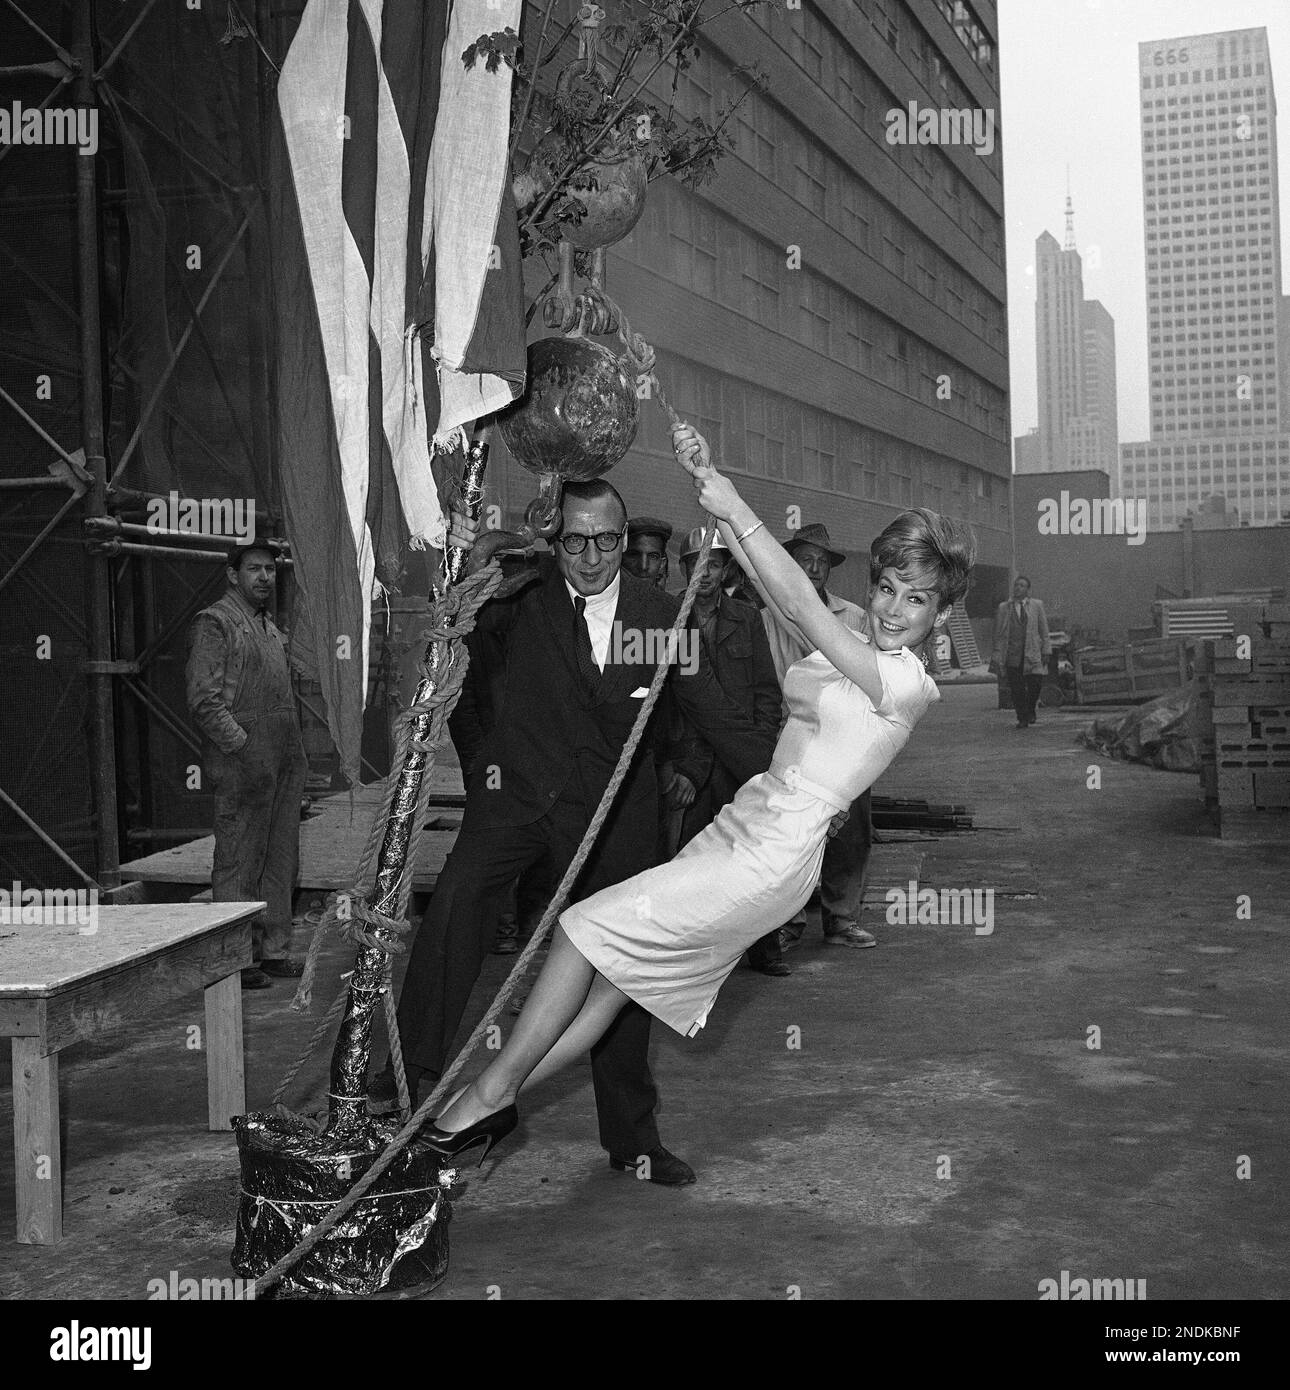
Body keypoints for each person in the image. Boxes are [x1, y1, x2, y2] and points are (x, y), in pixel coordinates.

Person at [421, 423, 974, 1162]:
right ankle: (484, 1106)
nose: (893, 608)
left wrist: (736, 503)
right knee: (617, 981)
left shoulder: (903, 683)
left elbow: (803, 611)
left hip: (771, 854)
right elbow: (794, 598)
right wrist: (711, 489)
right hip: (745, 827)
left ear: (941, 616)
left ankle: (486, 1099)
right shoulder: (864, 650)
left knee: (584, 929)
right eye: (886, 588)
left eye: (916, 600)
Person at [371, 479, 775, 1185]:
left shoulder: (660, 615)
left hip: (614, 818)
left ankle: (633, 1139)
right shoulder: (518, 600)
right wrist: (486, 768)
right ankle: (406, 1084)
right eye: (575, 541)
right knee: (458, 906)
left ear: (627, 539)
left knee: (619, 969)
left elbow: (713, 714)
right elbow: (456, 652)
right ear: (557, 539)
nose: (591, 558)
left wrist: (791, 791)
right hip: (517, 801)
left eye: (607, 541)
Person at [662, 526, 785, 976]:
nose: (706, 574)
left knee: (752, 856)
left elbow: (767, 692)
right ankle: (693, 957)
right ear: (682, 569)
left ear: (726, 568)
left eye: (713, 564)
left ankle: (764, 949)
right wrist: (672, 764)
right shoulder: (665, 619)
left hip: (743, 760)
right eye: (696, 564)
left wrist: (763, 749)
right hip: (692, 762)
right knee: (689, 859)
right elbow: (657, 704)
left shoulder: (746, 618)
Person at [186, 542, 308, 990]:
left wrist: (290, 758)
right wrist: (243, 746)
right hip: (243, 763)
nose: (265, 577)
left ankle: (272, 950)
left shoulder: (267, 626)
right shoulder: (215, 623)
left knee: (280, 859)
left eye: (270, 570)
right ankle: (236, 961)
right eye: (254, 569)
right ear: (232, 575)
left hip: (282, 757)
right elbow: (204, 700)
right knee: (239, 861)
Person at [760, 522, 877, 956]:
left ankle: (842, 920)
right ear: (789, 564)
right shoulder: (770, 617)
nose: (812, 568)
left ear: (829, 570)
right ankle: (787, 924)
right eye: (804, 559)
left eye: (820, 562)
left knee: (851, 834)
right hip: (791, 741)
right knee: (792, 835)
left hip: (846, 740)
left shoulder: (853, 617)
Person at [990, 576, 1051, 728]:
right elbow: (998, 632)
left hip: (1032, 653)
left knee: (1035, 684)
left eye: (1022, 586)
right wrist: (997, 653)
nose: (1018, 588)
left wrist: (1046, 650)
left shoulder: (1037, 605)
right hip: (1012, 654)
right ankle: (1022, 718)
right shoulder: (1004, 608)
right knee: (1016, 689)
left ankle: (1030, 710)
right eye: (1016, 585)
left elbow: (1044, 630)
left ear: (1028, 590)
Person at [622, 515, 673, 589]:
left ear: (662, 564)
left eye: (653, 557)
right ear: (621, 558)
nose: (643, 566)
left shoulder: (670, 601)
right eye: (634, 555)